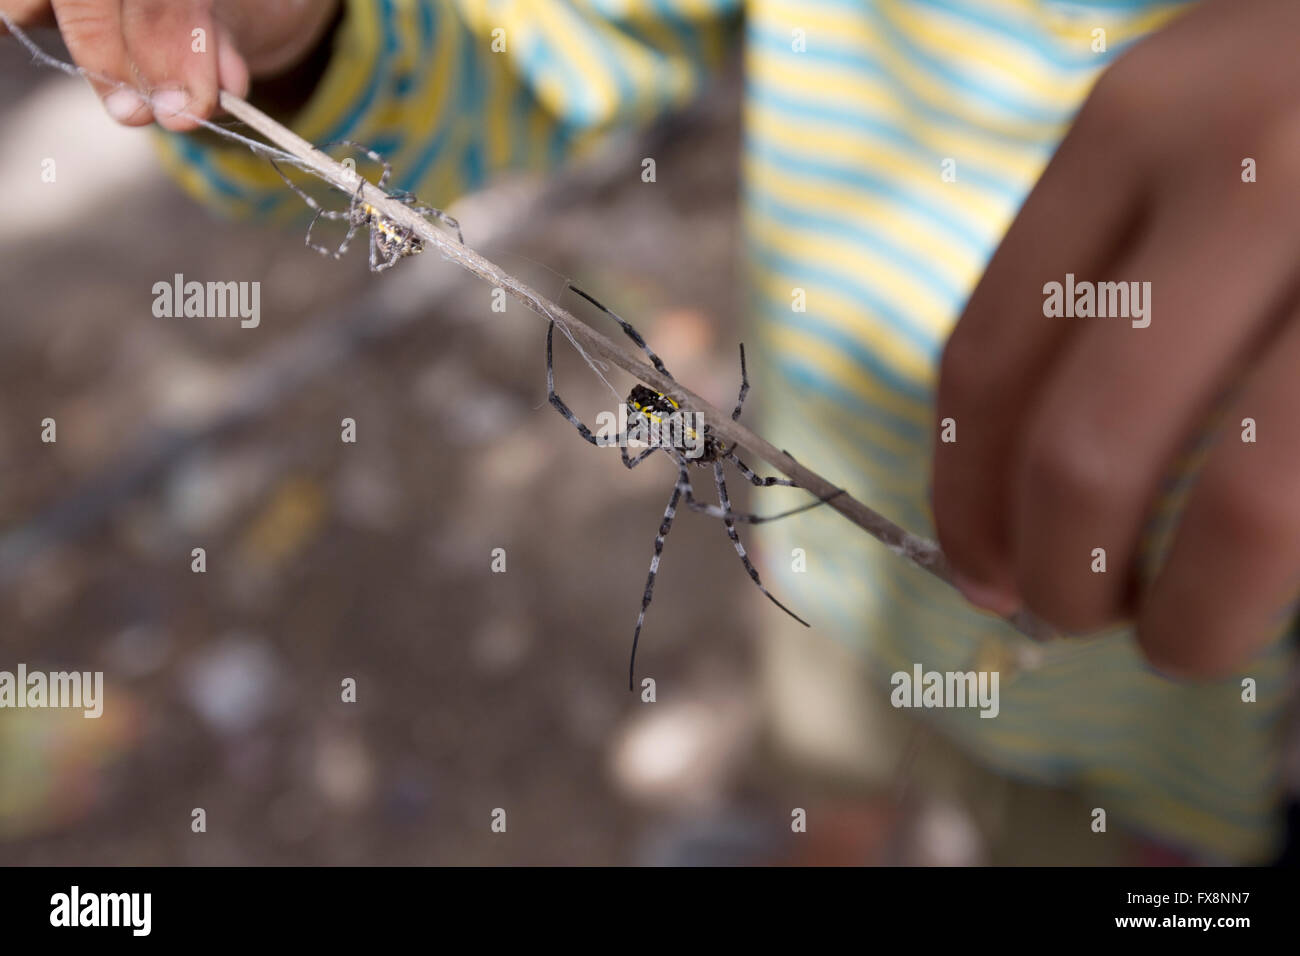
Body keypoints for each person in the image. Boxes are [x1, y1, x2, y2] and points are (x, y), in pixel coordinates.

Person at [6, 0, 1296, 863]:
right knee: (833, 736)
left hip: (1192, 711)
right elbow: (544, 43)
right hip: (848, 573)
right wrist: (313, 36)